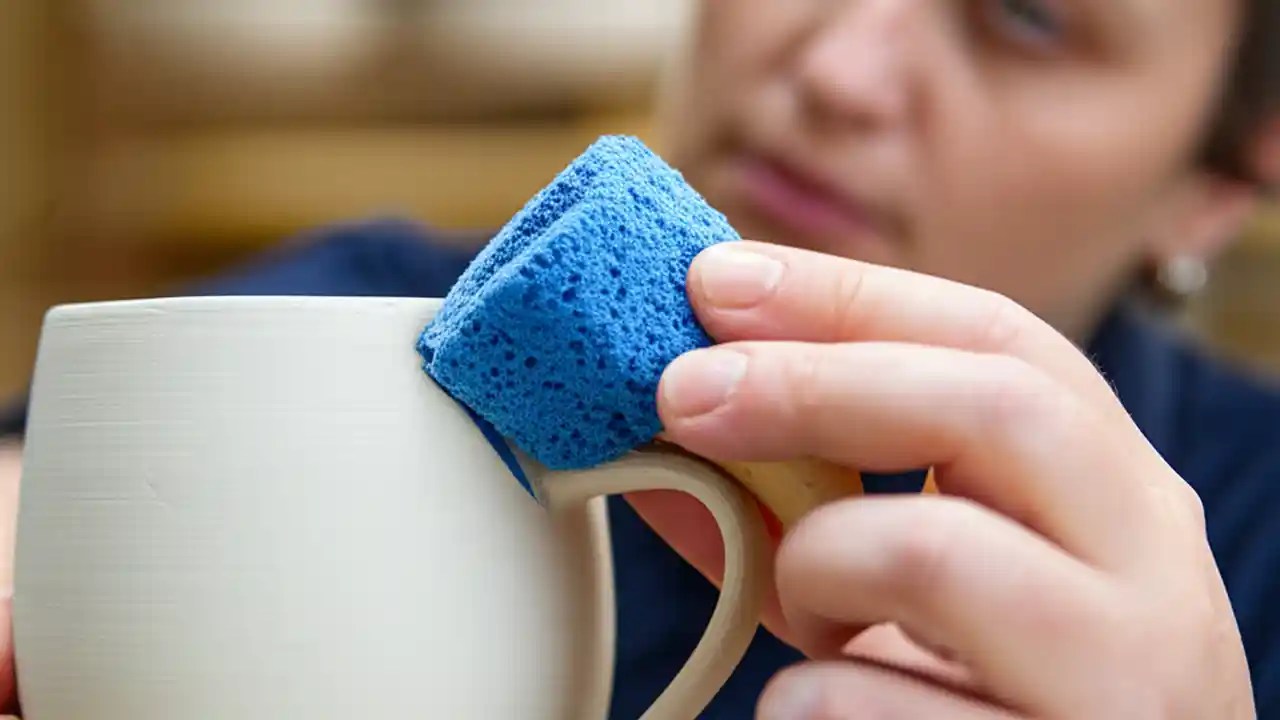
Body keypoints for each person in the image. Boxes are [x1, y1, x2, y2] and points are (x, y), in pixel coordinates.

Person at [4, 0, 1280, 716]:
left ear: (1217, 188)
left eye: (1029, 18)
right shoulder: (369, 325)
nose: (835, 69)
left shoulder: (1256, 560)